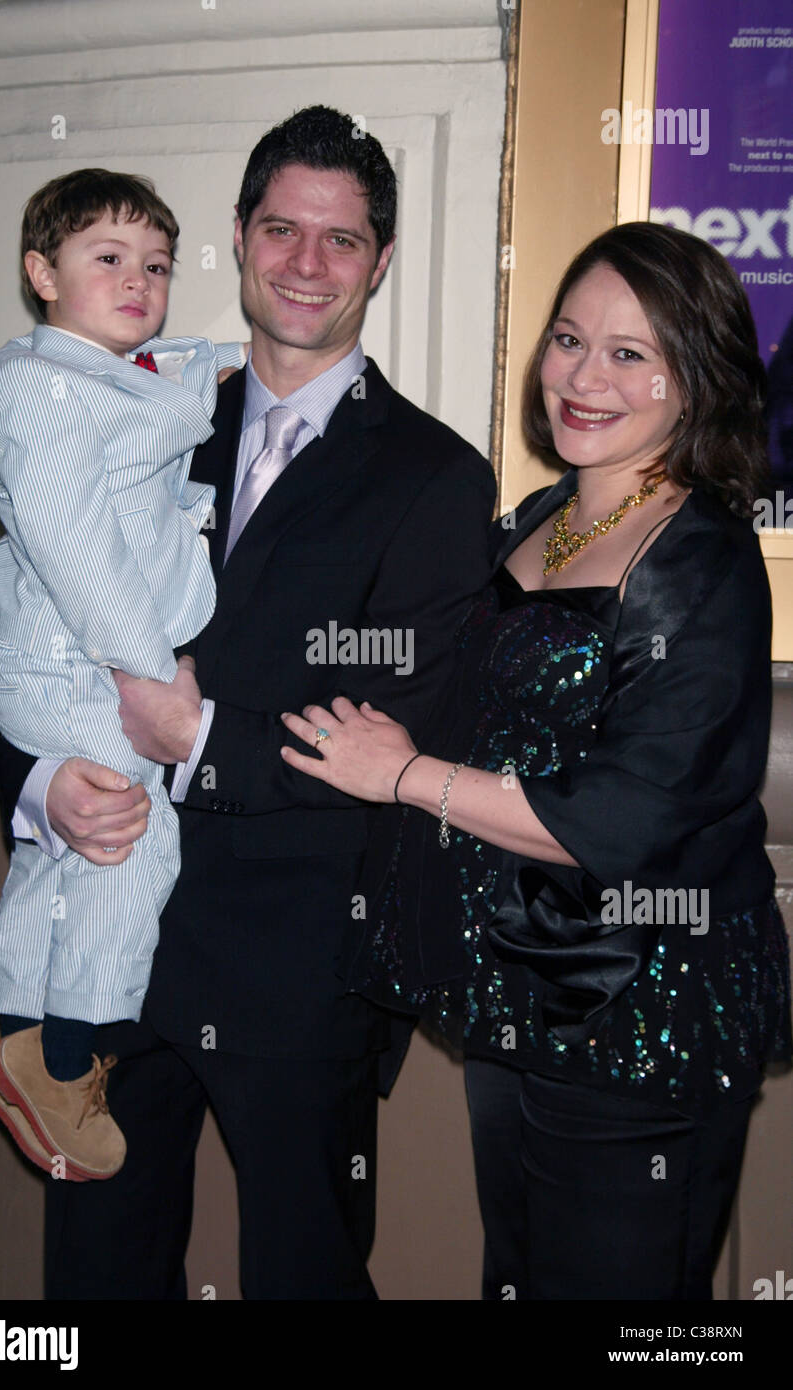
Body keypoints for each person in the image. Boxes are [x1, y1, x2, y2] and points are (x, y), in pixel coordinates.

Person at [0, 106, 496, 1298]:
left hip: (298, 976)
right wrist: (47, 784)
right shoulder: (135, 406)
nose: (307, 264)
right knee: (94, 1283)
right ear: (242, 237)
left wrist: (194, 739)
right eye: (281, 229)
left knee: (306, 1279)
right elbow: (21, 643)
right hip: (113, 956)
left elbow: (398, 728)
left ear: (380, 260)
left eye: (342, 240)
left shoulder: (432, 479)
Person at [281, 222, 793, 1300]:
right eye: (568, 338)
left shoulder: (699, 561)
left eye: (628, 354)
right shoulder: (548, 517)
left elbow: (625, 817)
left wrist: (402, 774)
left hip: (641, 1004)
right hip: (523, 982)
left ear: (696, 383)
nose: (581, 376)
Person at [0, 168, 243, 1181]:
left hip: (79, 666)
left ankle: (26, 1041)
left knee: (71, 862)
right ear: (42, 273)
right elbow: (77, 551)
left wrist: (212, 365)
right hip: (85, 663)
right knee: (134, 849)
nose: (138, 280)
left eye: (157, 265)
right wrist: (151, 664)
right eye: (107, 259)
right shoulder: (41, 388)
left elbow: (172, 389)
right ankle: (65, 1063)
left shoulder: (114, 377)